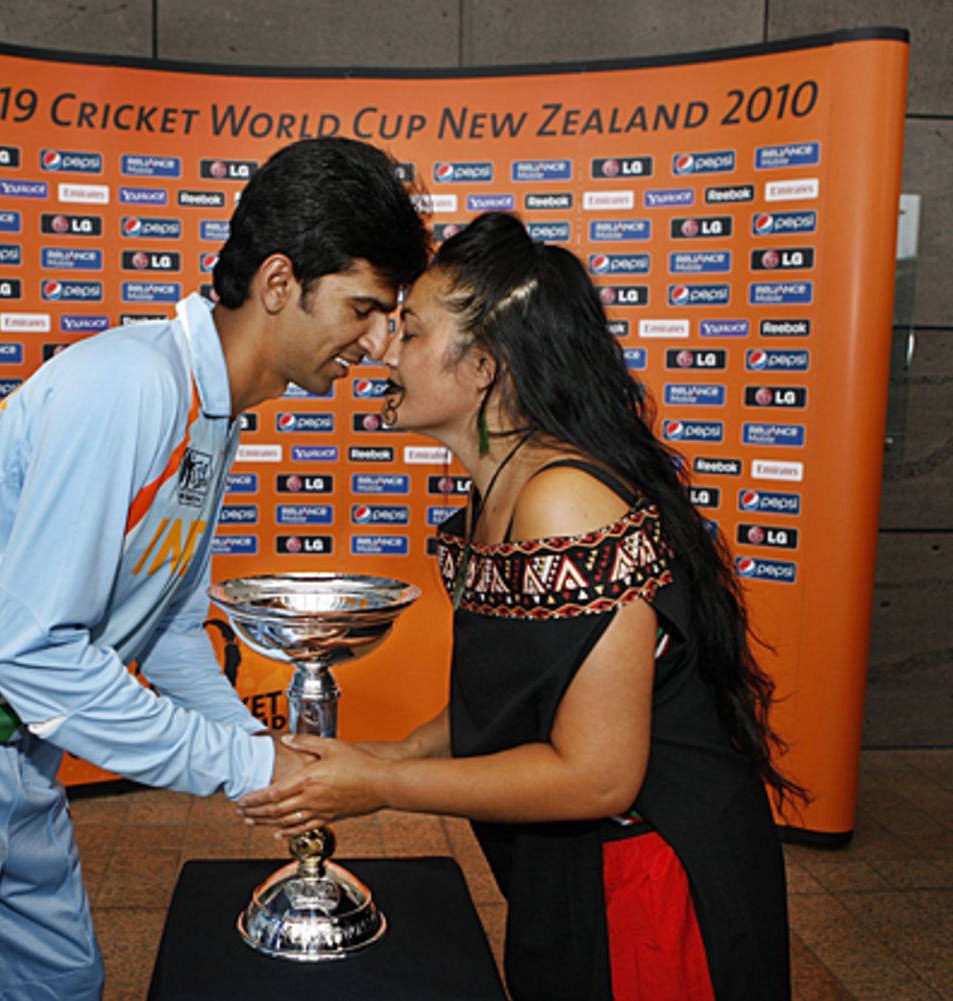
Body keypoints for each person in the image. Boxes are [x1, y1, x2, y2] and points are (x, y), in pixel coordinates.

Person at [0, 137, 429, 1001]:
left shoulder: (211, 412)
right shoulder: (132, 386)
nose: (378, 343)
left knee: (59, 981)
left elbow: (164, 628)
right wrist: (240, 764)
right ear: (280, 284)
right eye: (363, 307)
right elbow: (31, 650)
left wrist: (254, 750)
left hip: (14, 743)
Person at [238, 211, 802, 1001]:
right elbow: (514, 703)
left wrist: (382, 784)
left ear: (484, 368)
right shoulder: (498, 492)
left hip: (648, 881)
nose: (381, 353)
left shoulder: (564, 501)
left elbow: (597, 775)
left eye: (412, 332)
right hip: (572, 867)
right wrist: (384, 755)